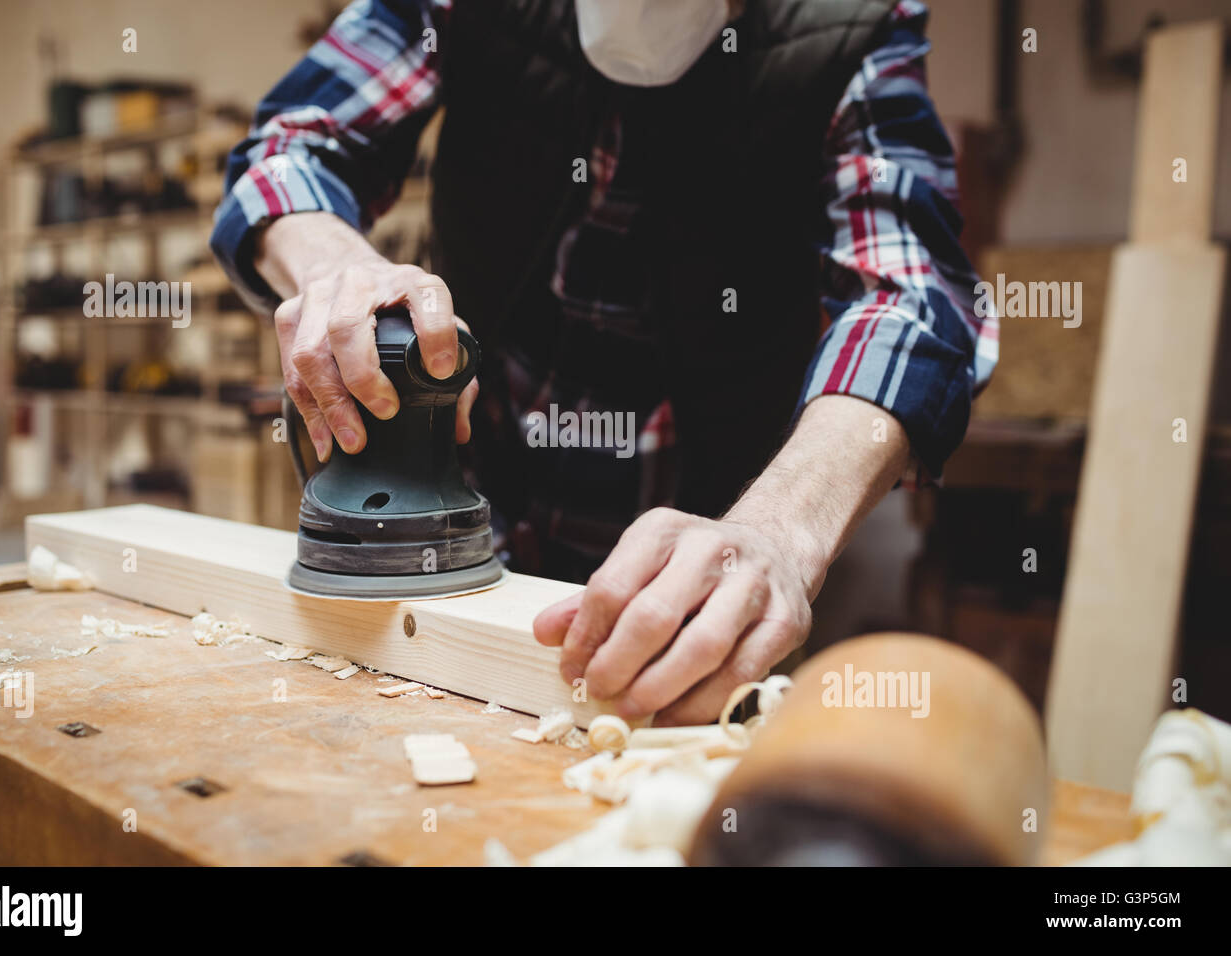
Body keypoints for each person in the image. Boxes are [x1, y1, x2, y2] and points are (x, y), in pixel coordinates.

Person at [211, 0, 994, 724]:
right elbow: (291, 147)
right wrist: (336, 269)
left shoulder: (851, 22)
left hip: (699, 554)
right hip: (480, 493)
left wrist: (780, 535)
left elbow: (915, 301)